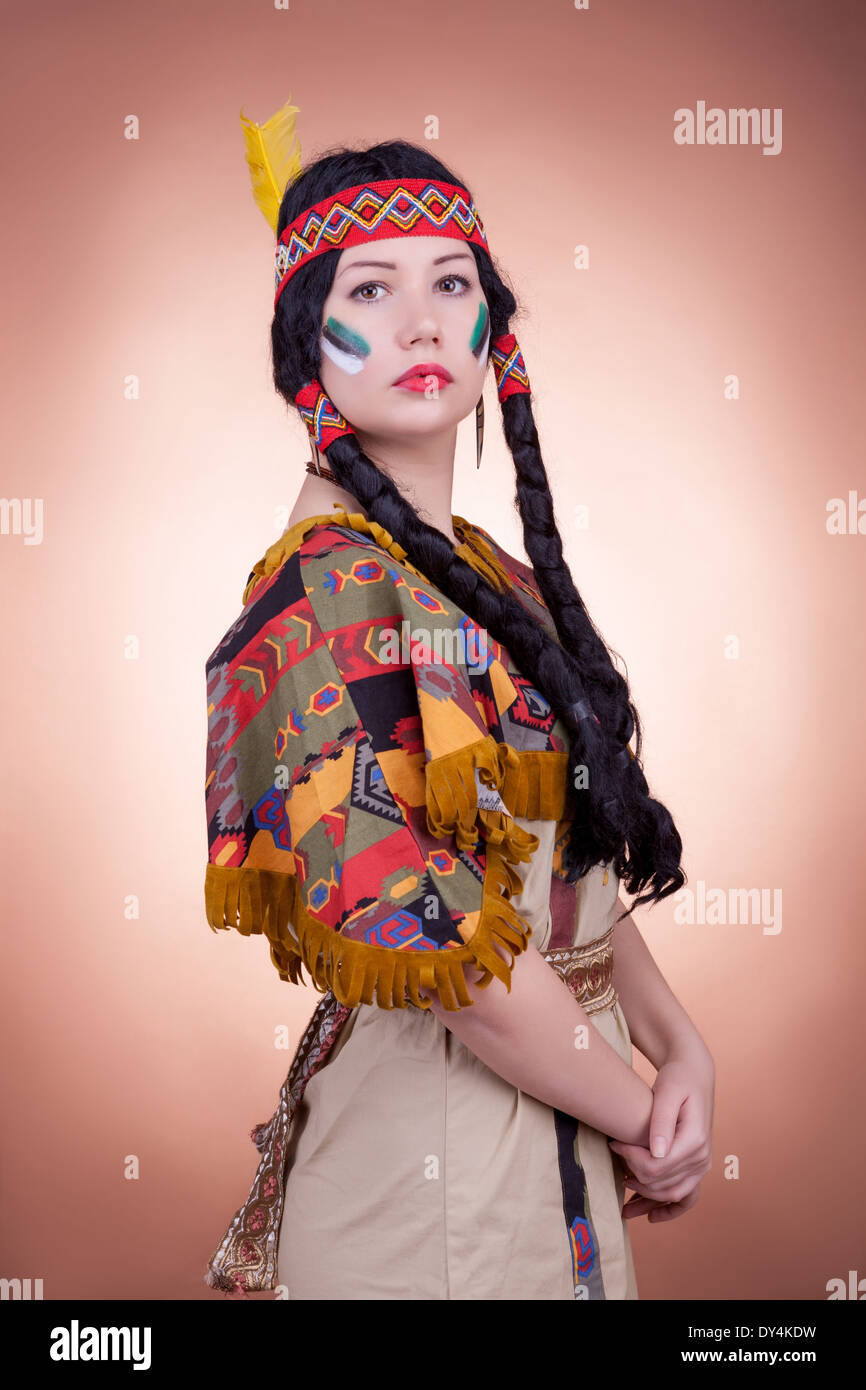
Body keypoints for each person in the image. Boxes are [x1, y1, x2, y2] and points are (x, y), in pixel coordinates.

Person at [203, 98, 715, 1300]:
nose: (421, 318)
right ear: (303, 348)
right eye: (369, 291)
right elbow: (450, 957)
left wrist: (676, 1040)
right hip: (427, 1181)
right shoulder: (316, 596)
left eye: (449, 281)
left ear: (494, 330)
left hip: (556, 1139)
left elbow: (542, 870)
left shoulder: (484, 571)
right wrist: (640, 1109)